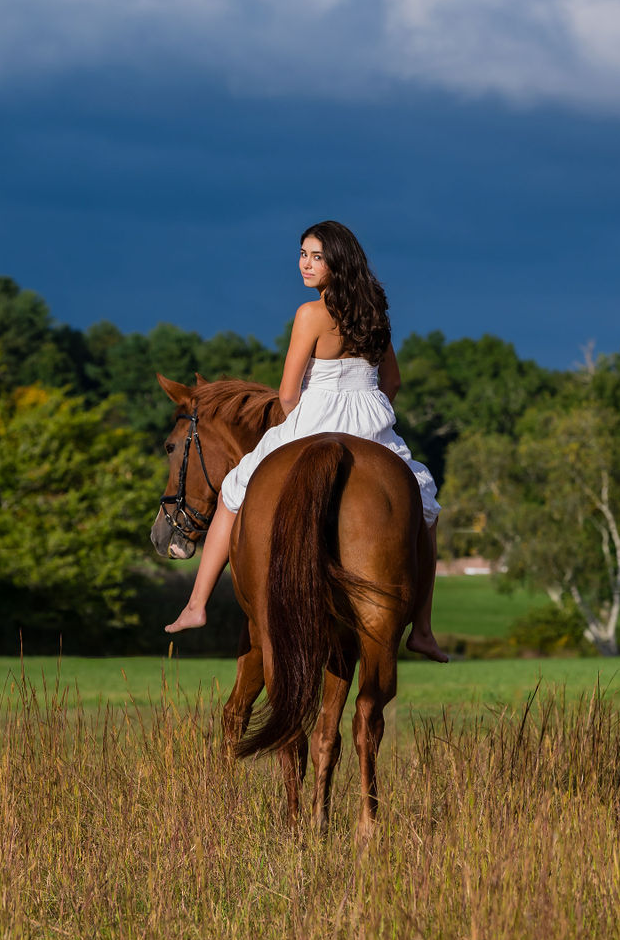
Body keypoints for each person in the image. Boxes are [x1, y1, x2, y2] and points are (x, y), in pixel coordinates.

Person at [165, 220, 449, 662]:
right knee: (425, 505)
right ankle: (425, 629)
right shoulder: (375, 312)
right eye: (302, 254)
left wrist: (299, 422)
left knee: (232, 493)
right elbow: (392, 381)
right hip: (371, 419)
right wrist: (370, 410)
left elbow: (288, 393)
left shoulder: (310, 314)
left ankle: (196, 604)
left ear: (338, 262)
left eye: (317, 256)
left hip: (315, 415)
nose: (305, 264)